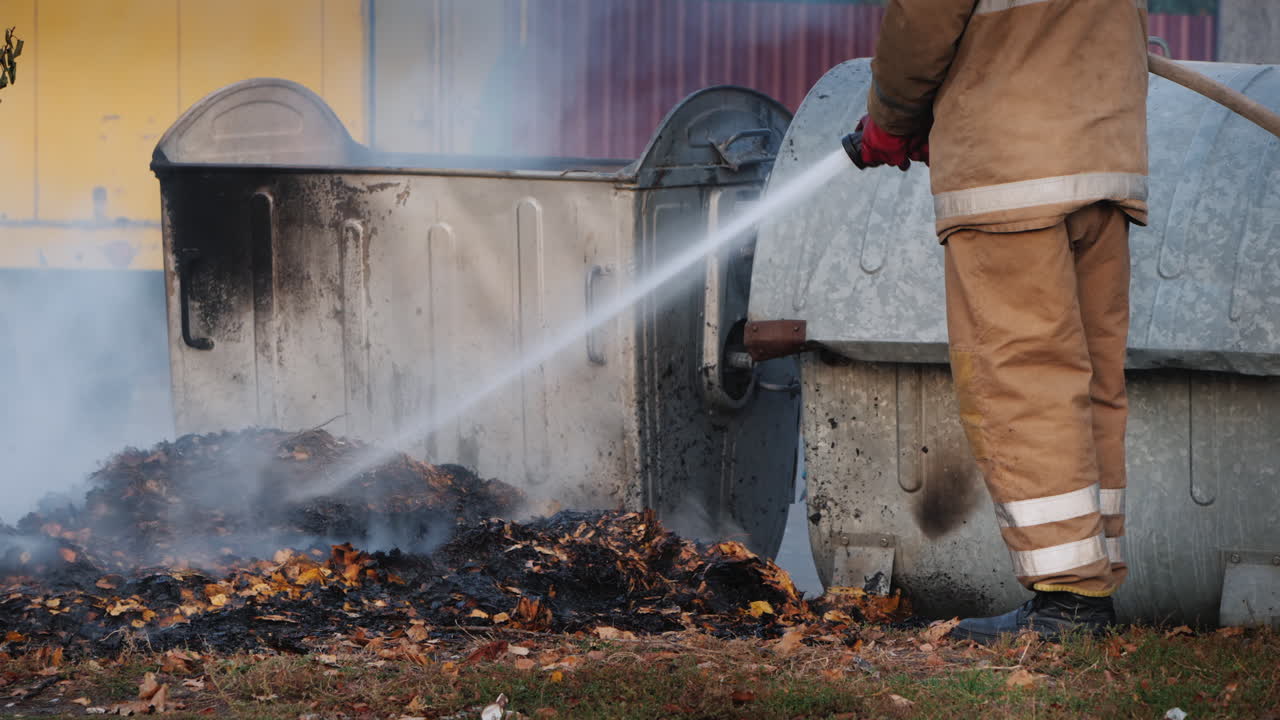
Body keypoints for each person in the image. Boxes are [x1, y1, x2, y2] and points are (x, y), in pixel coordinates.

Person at [846, 0, 1150, 644]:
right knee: (1091, 381)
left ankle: (1068, 605)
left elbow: (921, 23)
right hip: (1103, 165)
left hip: (1011, 174)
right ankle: (1088, 585)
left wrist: (890, 120)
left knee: (1023, 381)